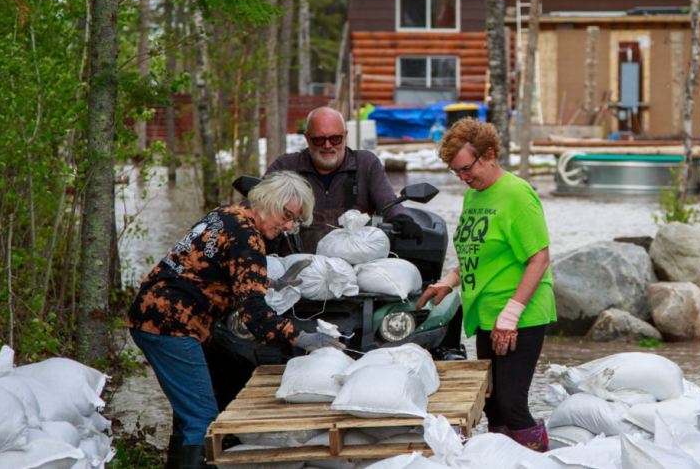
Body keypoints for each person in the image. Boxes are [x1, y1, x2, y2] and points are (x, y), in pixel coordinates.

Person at [127, 171, 343, 469]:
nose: (289, 225)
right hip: (173, 324)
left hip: (150, 311)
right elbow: (254, 316)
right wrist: (302, 337)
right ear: (268, 201)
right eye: (287, 215)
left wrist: (271, 284)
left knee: (189, 412)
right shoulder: (249, 239)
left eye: (296, 220)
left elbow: (213, 268)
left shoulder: (225, 215)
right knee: (202, 418)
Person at [414, 119, 555, 452]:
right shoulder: (474, 196)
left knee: (512, 401)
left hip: (521, 315)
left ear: (489, 154)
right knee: (492, 404)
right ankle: (502, 459)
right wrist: (448, 282)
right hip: (487, 314)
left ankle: (540, 460)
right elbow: (479, 254)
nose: (463, 177)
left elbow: (540, 258)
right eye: (456, 172)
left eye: (467, 168)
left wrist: (512, 314)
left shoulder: (517, 195)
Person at [265, 107, 423, 253]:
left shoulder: (367, 164)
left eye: (335, 139)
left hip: (355, 269)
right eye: (319, 140)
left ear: (345, 136)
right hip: (297, 270)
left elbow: (388, 202)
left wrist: (401, 218)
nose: (327, 146)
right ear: (307, 138)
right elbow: (255, 204)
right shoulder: (286, 166)